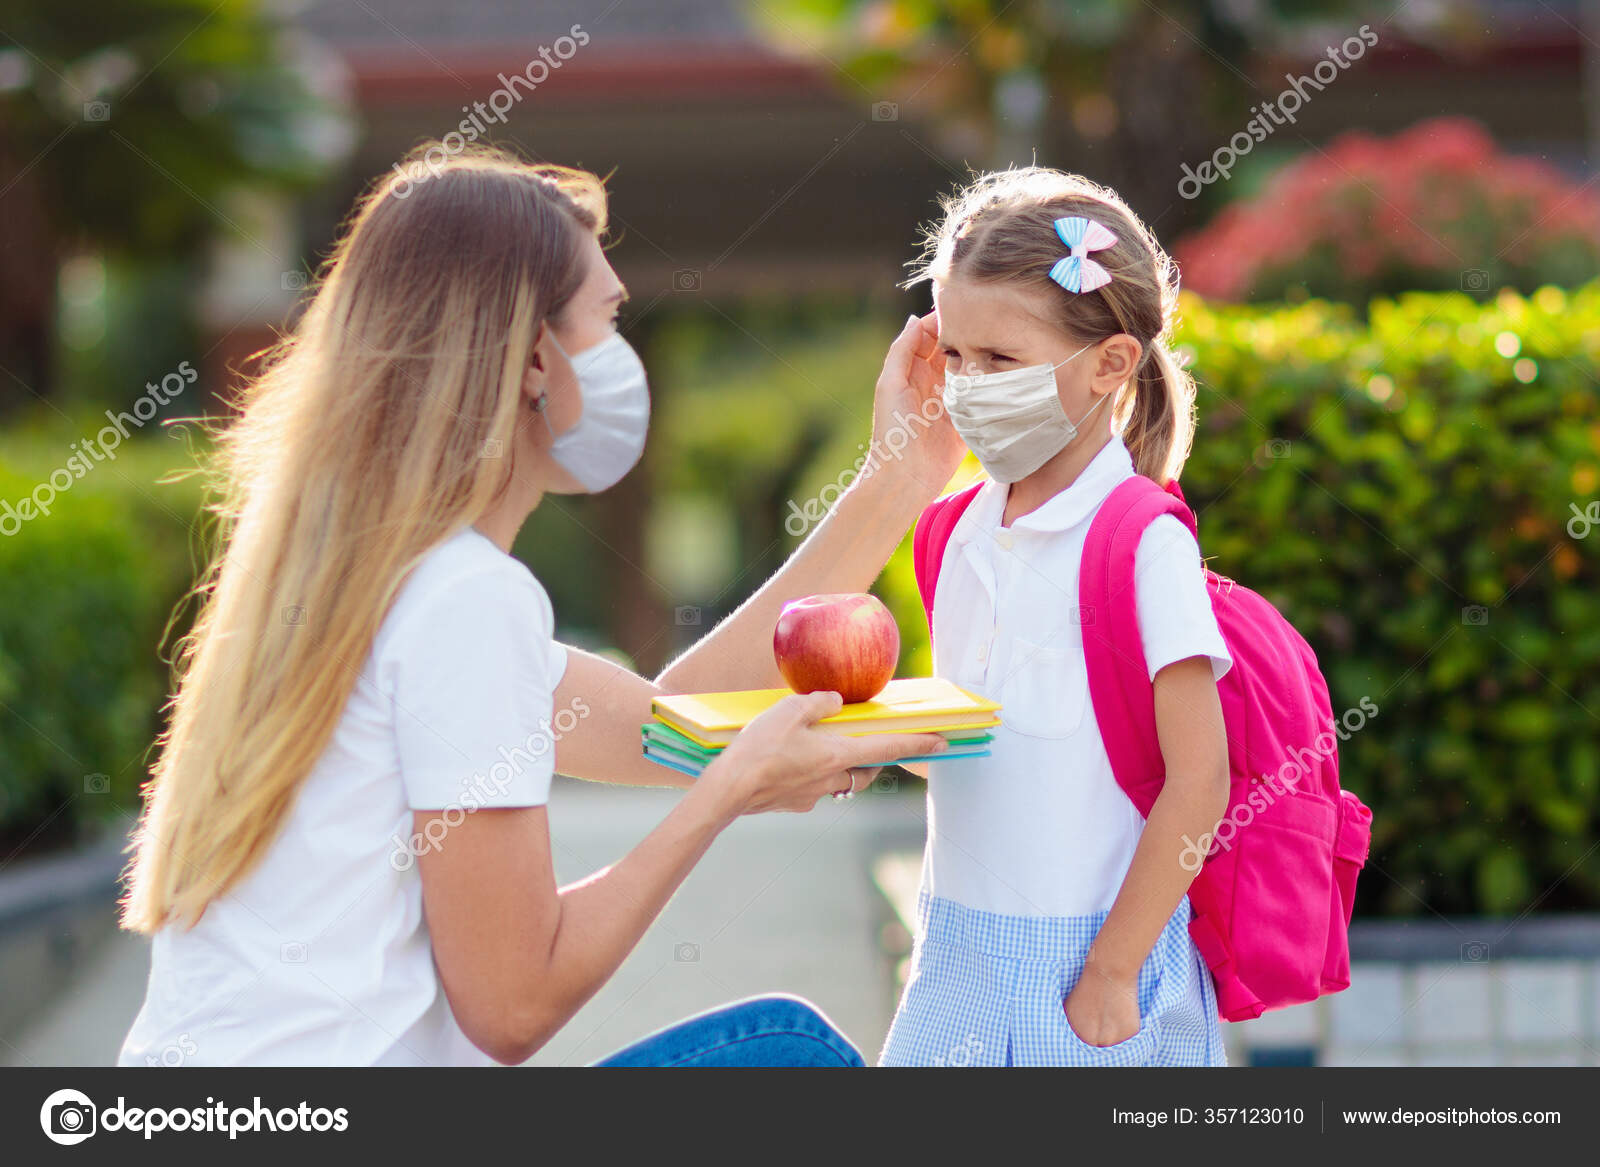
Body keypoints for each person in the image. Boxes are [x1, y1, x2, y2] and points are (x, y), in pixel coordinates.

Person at [116, 145, 963, 1067]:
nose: (623, 356)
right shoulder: (461, 599)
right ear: (530, 356)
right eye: (606, 319)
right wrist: (726, 795)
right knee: (786, 1054)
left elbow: (670, 724)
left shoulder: (368, 576)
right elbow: (512, 1007)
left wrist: (898, 480)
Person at [879, 168, 1233, 1066]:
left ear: (1111, 362)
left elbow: (1202, 780)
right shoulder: (949, 533)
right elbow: (997, 743)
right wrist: (870, 746)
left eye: (1001, 361)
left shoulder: (1144, 543)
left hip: (1094, 977)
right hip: (954, 961)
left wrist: (1112, 973)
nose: (966, 384)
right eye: (953, 354)